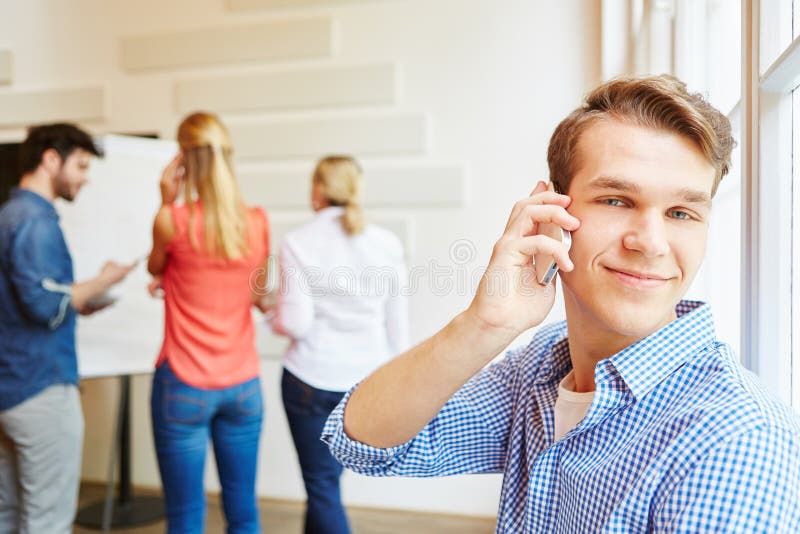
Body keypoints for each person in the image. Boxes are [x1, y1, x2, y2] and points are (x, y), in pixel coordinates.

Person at [321, 75, 800, 532]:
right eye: (616, 200)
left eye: (681, 212)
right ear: (552, 214)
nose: (651, 243)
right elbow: (364, 442)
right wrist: (485, 324)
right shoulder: (545, 363)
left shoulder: (736, 440)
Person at [260, 155, 408, 534]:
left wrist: (268, 312)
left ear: (317, 191)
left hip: (310, 379)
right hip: (366, 382)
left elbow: (296, 322)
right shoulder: (386, 243)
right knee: (326, 485)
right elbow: (397, 327)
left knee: (322, 486)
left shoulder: (298, 242)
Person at [0, 123, 135, 533]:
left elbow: (27, 300)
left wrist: (80, 300)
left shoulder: (8, 215)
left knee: (9, 512)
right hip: (39, 388)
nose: (85, 177)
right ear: (50, 159)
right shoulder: (35, 222)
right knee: (48, 520)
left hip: (10, 386)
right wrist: (104, 281)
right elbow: (44, 305)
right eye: (80, 165)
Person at [146, 112, 270, 533]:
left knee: (185, 514)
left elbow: (155, 267)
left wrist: (167, 199)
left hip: (184, 383)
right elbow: (256, 294)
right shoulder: (257, 222)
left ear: (183, 160)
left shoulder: (171, 220)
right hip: (243, 387)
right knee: (244, 511)